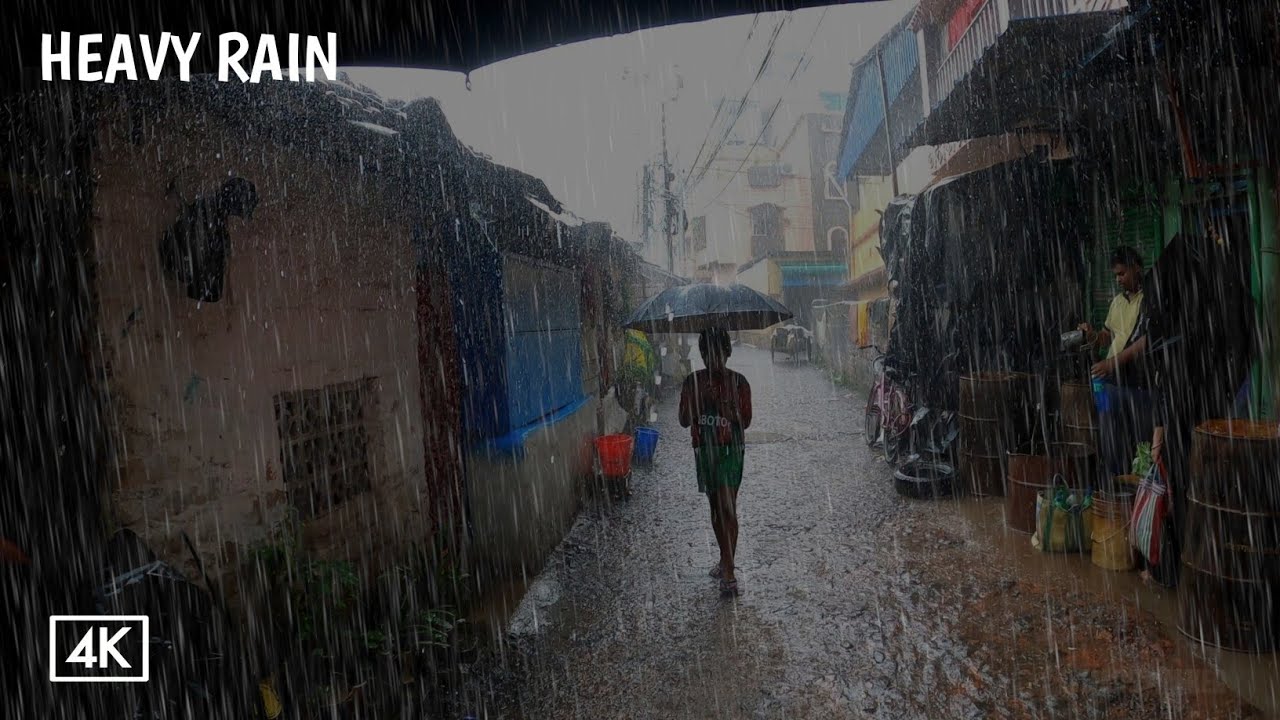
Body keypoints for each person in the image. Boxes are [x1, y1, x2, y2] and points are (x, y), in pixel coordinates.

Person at [1135, 217, 1256, 587]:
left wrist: (1159, 430)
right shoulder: (1229, 286)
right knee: (1208, 490)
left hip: (1184, 409)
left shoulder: (1175, 281)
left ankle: (1175, 571)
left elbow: (1164, 362)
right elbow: (1242, 349)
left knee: (1180, 488)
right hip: (1212, 412)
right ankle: (1205, 570)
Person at [678, 328, 752, 596]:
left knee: (727, 506)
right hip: (705, 451)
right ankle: (724, 559)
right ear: (702, 354)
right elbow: (684, 420)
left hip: (731, 450)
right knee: (715, 508)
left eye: (718, 353)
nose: (713, 360)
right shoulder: (692, 382)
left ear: (728, 353)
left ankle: (729, 571)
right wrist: (698, 401)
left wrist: (726, 410)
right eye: (707, 354)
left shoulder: (740, 383)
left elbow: (746, 420)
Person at [1079, 246, 1152, 477]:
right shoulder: (1117, 303)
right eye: (1116, 275)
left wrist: (1111, 364)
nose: (1118, 279)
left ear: (1136, 268)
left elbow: (1144, 342)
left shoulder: (1149, 299)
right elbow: (1106, 336)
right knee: (1110, 436)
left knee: (1136, 439)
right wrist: (1091, 335)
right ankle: (1114, 481)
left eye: (1122, 273)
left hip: (1137, 380)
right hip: (1111, 381)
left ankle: (1133, 484)